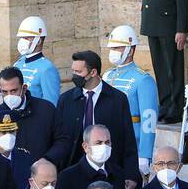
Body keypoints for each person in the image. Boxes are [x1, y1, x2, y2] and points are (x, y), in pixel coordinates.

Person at [122, 0, 188, 123]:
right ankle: (165, 104)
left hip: (169, 25)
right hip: (152, 24)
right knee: (160, 67)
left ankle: (176, 108)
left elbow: (183, 0)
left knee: (173, 69)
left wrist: (181, 29)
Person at [53, 51, 139, 181]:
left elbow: (128, 139)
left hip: (110, 170)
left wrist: (131, 174)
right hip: (74, 169)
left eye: (79, 72)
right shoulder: (66, 100)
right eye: (73, 71)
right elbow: (59, 138)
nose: (74, 76)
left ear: (93, 72)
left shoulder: (117, 99)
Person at [101, 24, 160, 161]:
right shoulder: (107, 75)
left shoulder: (143, 79)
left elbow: (149, 120)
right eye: (111, 48)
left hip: (130, 142)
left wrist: (145, 154)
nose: (113, 51)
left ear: (130, 50)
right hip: (106, 142)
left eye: (117, 48)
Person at [13, 16, 62, 103]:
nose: (21, 41)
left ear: (38, 41)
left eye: (26, 38)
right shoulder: (18, 64)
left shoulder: (47, 68)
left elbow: (51, 104)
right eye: (21, 38)